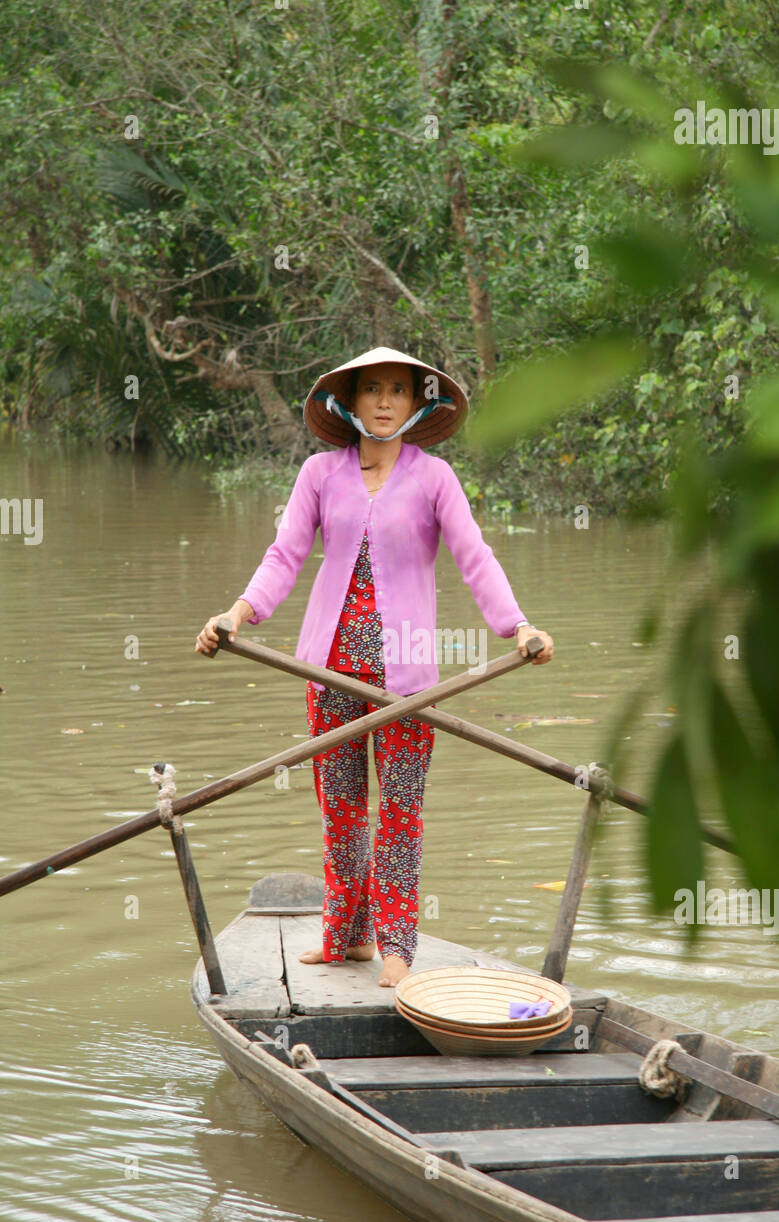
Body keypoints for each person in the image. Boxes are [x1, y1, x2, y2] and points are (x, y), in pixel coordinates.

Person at [195, 345, 554, 986]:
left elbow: (475, 556)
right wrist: (238, 613)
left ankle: (397, 948)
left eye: (398, 390)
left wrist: (518, 626)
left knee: (399, 809)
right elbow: (285, 554)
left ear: (418, 404)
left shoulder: (434, 477)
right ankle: (347, 936)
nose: (385, 401)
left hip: (406, 673)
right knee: (341, 805)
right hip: (328, 666)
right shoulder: (318, 474)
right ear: (350, 401)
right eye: (372, 390)